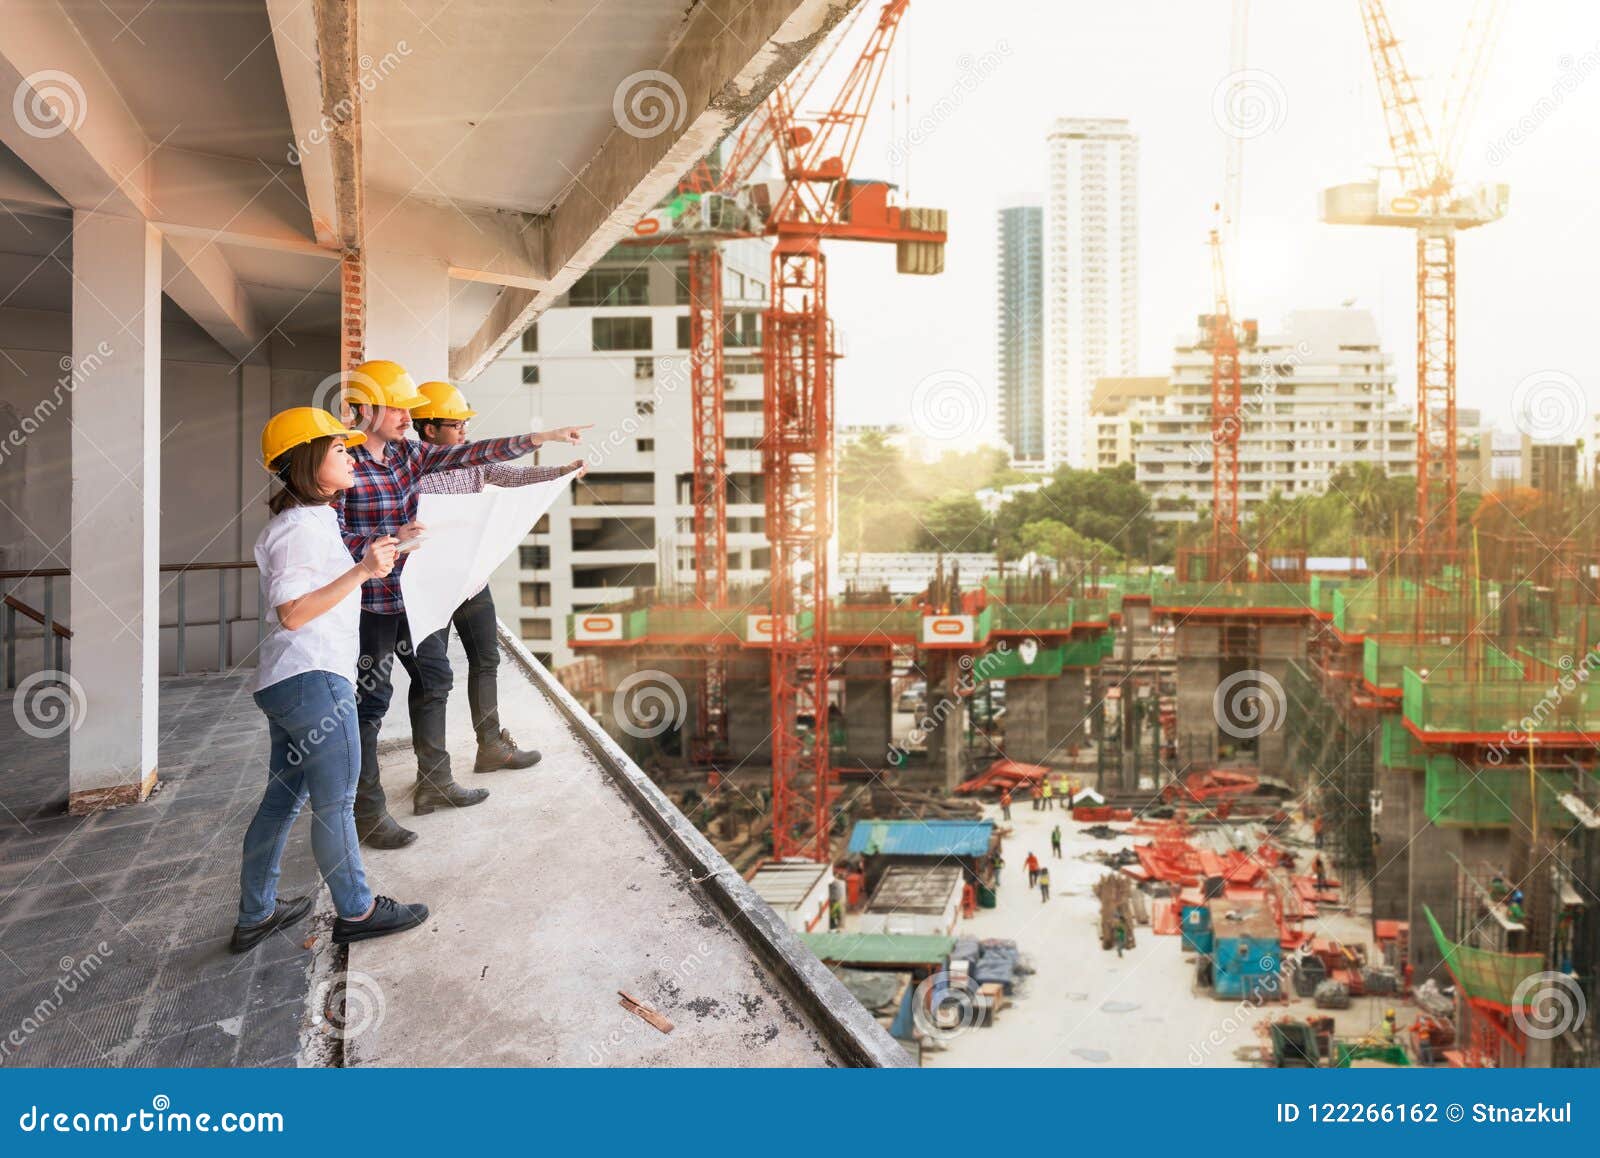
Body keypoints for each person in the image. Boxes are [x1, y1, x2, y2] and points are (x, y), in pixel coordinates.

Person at [338, 360, 589, 848]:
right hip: (371, 605)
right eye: (398, 407)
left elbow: (483, 454)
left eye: (411, 409)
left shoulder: (408, 456)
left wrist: (542, 439)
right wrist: (385, 539)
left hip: (421, 598)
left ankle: (434, 782)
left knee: (436, 679)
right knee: (370, 703)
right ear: (365, 408)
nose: (407, 416)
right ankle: (367, 812)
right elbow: (329, 534)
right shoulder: (343, 463)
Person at [232, 408, 429, 952]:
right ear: (309, 462)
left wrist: (389, 546)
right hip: (314, 677)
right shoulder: (297, 528)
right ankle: (358, 911)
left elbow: (333, 571)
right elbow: (292, 611)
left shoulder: (312, 519)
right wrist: (364, 571)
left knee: (280, 804)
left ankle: (256, 914)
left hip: (291, 681)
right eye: (339, 449)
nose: (350, 454)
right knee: (336, 803)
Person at [412, 381, 587, 773]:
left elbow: (512, 477)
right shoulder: (412, 467)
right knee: (432, 680)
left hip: (471, 580)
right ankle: (433, 775)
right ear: (429, 429)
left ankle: (490, 747)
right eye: (456, 424)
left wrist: (562, 472)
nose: (463, 431)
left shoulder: (472, 462)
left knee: (486, 660)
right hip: (431, 589)